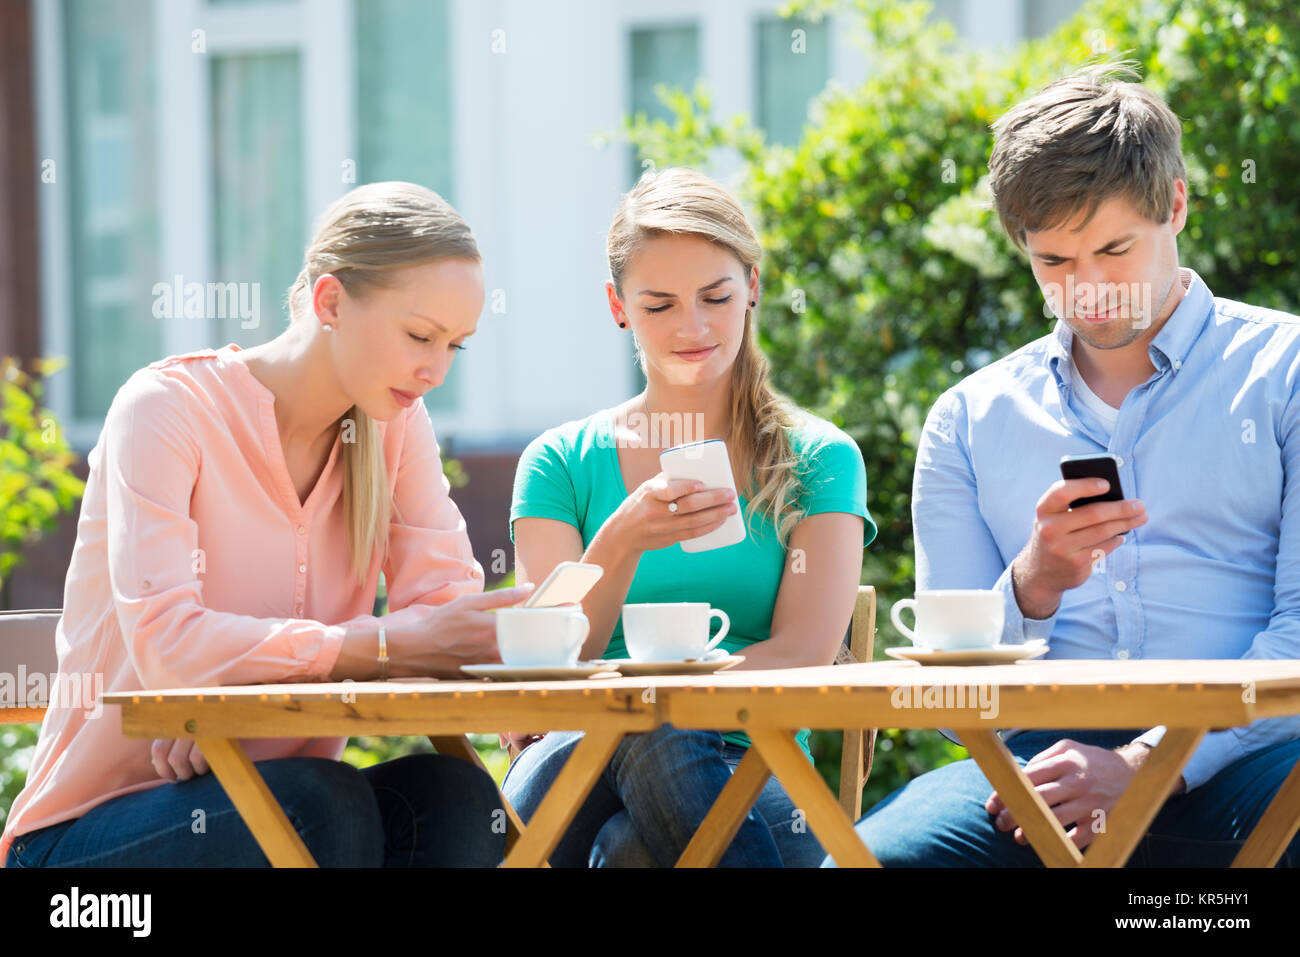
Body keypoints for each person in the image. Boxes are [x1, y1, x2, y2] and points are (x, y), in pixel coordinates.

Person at [837, 62, 1300, 867]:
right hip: (1032, 775)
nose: (1087, 291)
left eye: (1113, 249)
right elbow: (952, 701)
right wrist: (1032, 586)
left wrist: (1144, 764)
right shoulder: (969, 416)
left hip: (1252, 763)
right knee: (877, 859)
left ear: (1178, 204)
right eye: (1053, 262)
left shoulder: (1284, 373)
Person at [2, 181, 532, 868]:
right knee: (321, 806)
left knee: (459, 801)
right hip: (83, 842)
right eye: (419, 335)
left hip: (270, 800)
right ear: (331, 301)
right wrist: (373, 649)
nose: (434, 369)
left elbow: (442, 621)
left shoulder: (393, 425)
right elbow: (171, 648)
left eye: (454, 346)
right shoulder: (166, 411)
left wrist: (233, 696)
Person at [503, 167, 876, 867]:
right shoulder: (558, 461)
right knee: (644, 747)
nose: (693, 326)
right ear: (618, 306)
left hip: (752, 764)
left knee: (631, 835)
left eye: (715, 296)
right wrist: (619, 539)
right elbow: (550, 663)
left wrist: (653, 701)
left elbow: (802, 654)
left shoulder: (818, 457)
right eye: (660, 304)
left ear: (754, 286)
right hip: (573, 759)